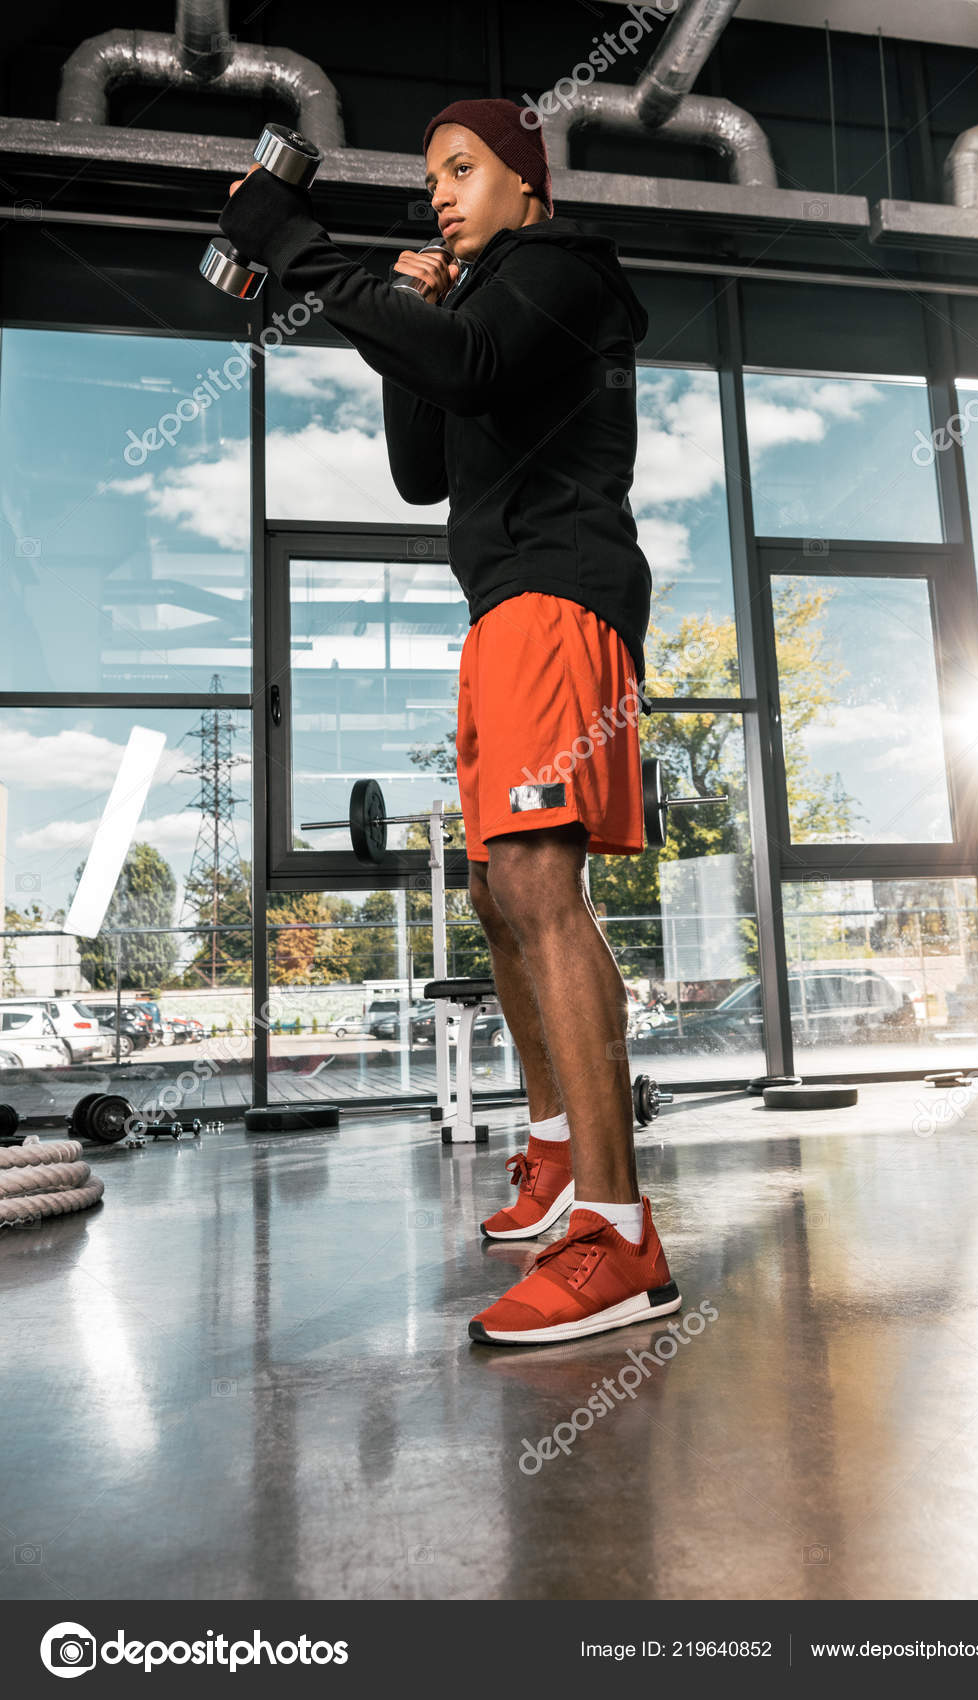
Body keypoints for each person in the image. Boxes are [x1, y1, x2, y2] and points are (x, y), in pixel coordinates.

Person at [219, 96, 680, 1347]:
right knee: (495, 889)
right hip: (499, 608)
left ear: (527, 186)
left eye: (464, 169)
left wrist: (306, 250)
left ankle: (621, 1236)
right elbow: (426, 458)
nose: (441, 191)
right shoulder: (481, 302)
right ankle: (550, 1153)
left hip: (557, 591)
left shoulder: (560, 272)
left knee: (537, 884)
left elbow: (472, 365)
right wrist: (401, 314)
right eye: (431, 175)